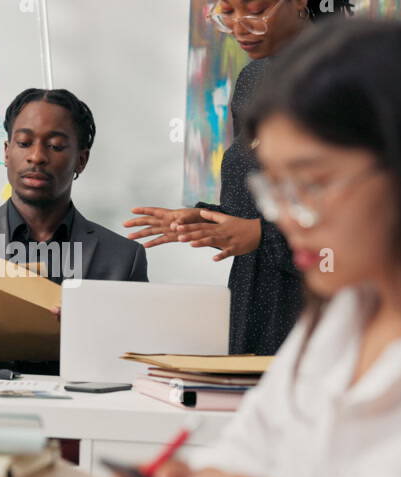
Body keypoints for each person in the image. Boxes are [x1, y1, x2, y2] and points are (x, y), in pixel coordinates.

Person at [112, 19, 401, 477]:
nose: (285, 218)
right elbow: (247, 455)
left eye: (311, 184)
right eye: (276, 189)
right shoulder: (342, 319)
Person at [124, 0, 353, 356]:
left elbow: (368, 214)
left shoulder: (346, 78)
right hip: (254, 297)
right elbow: (255, 206)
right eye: (226, 12)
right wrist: (207, 221)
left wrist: (262, 235)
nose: (239, 26)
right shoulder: (253, 79)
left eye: (257, 11)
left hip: (324, 305)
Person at [0, 88, 148, 370]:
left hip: (78, 407)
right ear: (7, 152)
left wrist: (94, 334)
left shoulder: (122, 258)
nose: (36, 157)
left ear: (81, 160)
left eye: (55, 146)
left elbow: (138, 362)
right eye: (23, 143)